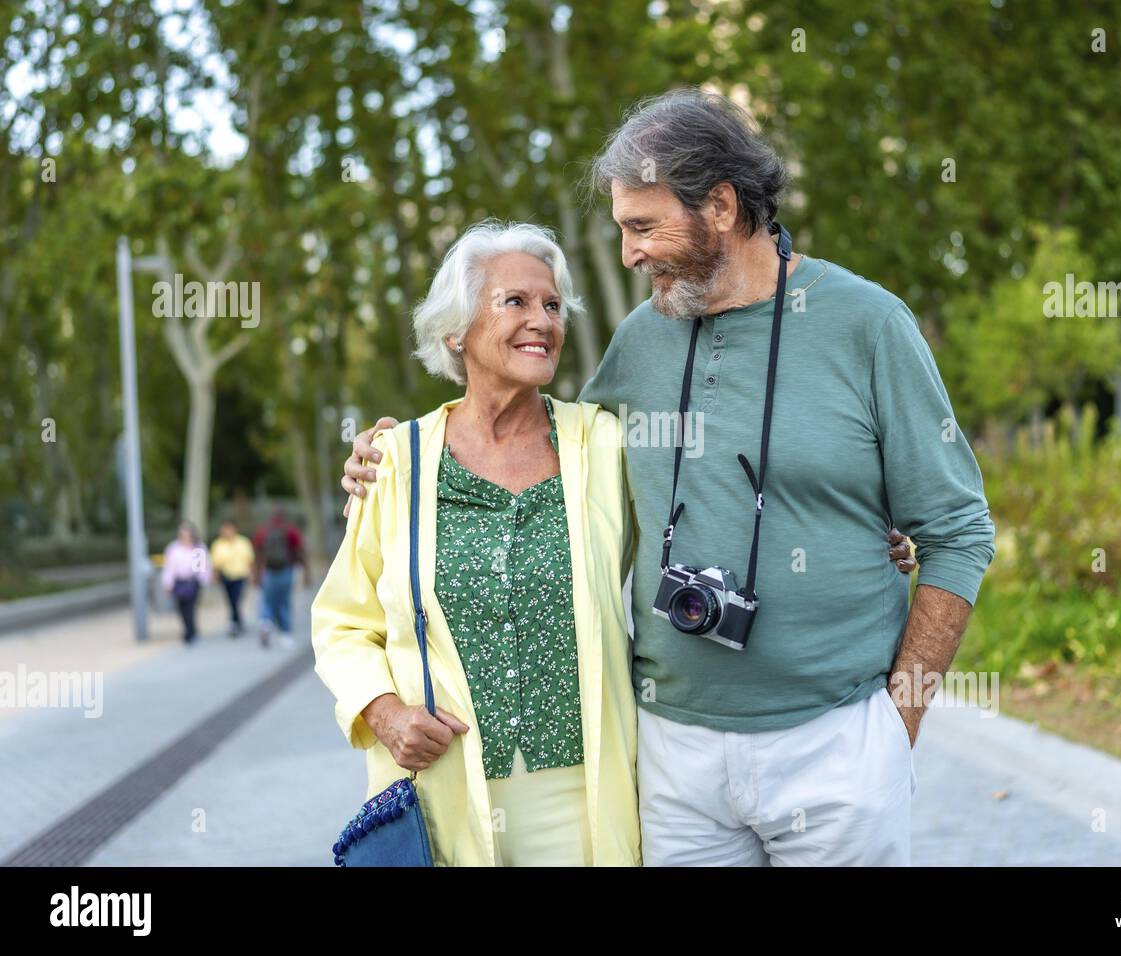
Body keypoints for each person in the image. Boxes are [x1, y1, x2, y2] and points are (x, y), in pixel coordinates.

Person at [343, 89, 991, 867]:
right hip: (672, 755)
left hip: (835, 743)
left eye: (643, 227)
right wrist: (401, 453)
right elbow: (541, 446)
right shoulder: (641, 340)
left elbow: (958, 531)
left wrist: (897, 722)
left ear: (720, 206)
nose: (628, 254)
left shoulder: (869, 324)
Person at [312, 221, 642, 865]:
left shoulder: (603, 443)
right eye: (515, 301)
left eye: (552, 305)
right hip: (443, 796)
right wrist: (384, 713)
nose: (542, 321)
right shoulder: (395, 461)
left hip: (584, 801)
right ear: (455, 331)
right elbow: (343, 622)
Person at [252, 508, 307, 648]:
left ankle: (265, 622)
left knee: (267, 599)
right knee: (284, 601)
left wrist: (256, 575)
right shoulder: (290, 530)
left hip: (268, 571)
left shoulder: (263, 531)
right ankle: (285, 634)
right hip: (286, 570)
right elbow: (300, 550)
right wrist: (306, 571)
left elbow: (257, 553)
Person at [161, 520, 211, 645]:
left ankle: (190, 632)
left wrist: (202, 581)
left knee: (190, 607)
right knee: (181, 608)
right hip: (179, 582)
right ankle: (188, 628)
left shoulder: (198, 547)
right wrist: (168, 583)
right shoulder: (174, 548)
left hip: (193, 582)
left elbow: (202, 568)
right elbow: (170, 567)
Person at [210, 519, 254, 636]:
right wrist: (214, 575)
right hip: (226, 575)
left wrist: (252, 574)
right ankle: (236, 621)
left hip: (240, 575)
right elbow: (215, 562)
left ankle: (234, 621)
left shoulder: (243, 542)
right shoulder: (218, 544)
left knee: (237, 599)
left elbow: (249, 559)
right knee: (230, 599)